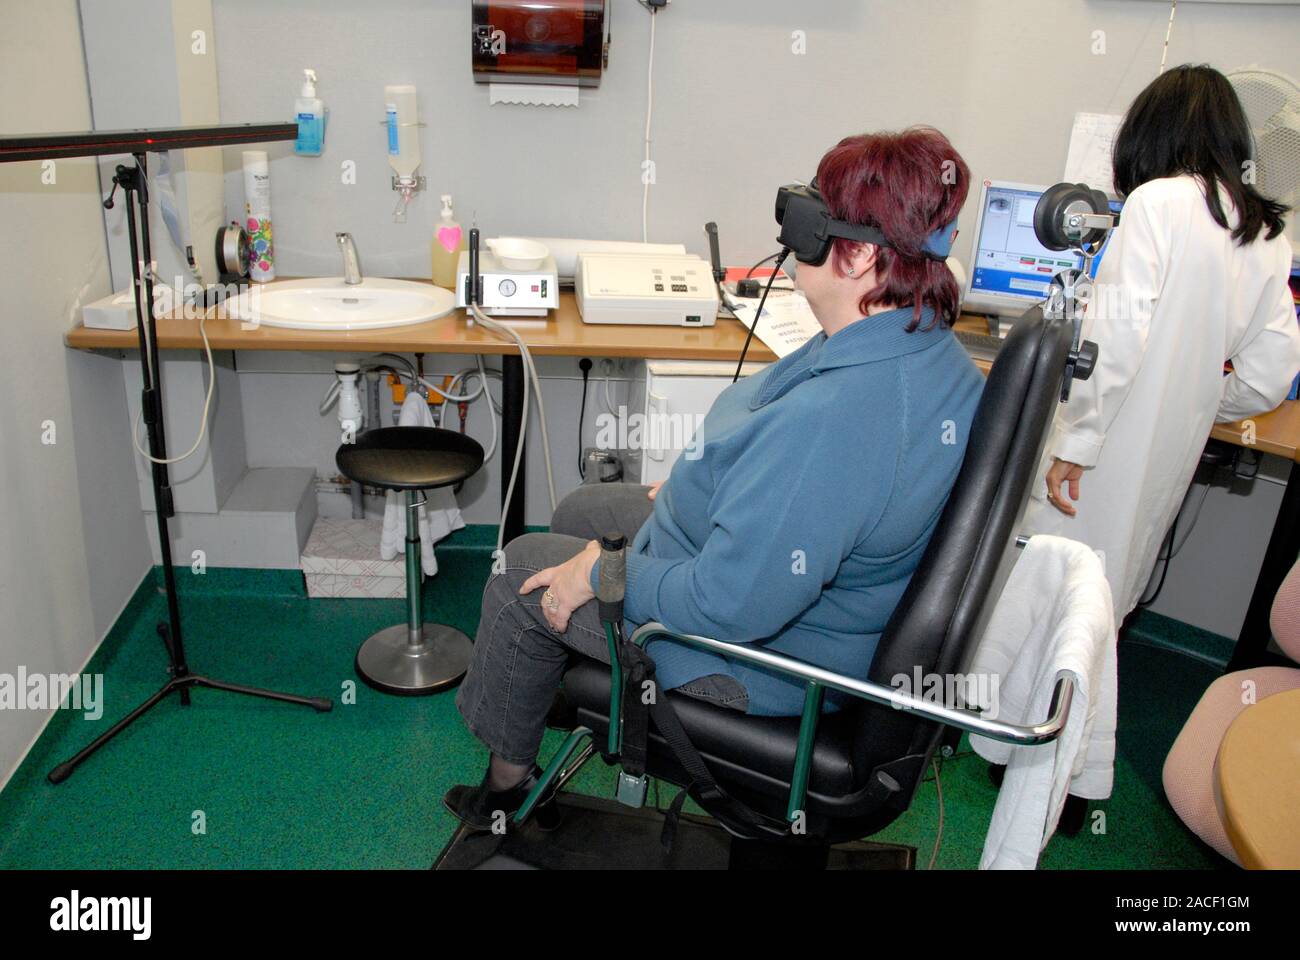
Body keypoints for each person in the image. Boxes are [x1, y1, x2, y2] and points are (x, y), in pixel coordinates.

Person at [446, 127, 985, 828]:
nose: (794, 233)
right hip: (795, 597)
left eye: (815, 216)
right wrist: (692, 487)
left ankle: (505, 789)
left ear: (856, 255)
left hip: (756, 655)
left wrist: (602, 576)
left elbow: (730, 602)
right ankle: (549, 680)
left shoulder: (839, 422)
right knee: (583, 511)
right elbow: (788, 478)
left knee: (520, 573)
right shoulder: (915, 342)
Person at [1024, 64, 1300, 623]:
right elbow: (1269, 376)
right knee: (1104, 601)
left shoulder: (1157, 203)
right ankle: (1071, 709)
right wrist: (1197, 398)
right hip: (1168, 455)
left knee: (1042, 595)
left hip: (1098, 449)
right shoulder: (1268, 234)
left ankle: (1001, 709)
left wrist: (1077, 439)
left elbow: (1114, 337)